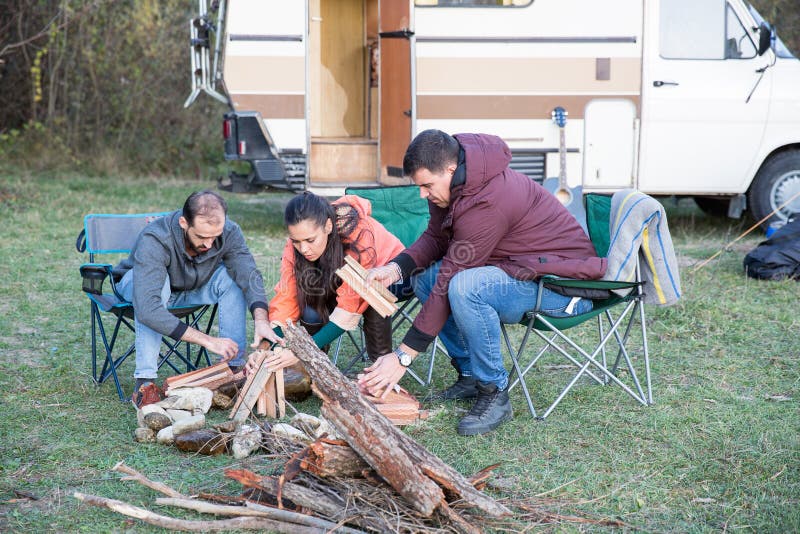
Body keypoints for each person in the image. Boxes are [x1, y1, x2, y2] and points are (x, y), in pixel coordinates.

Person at [358, 130, 607, 436]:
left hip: (560, 286)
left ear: (450, 169)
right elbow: (436, 237)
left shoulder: (487, 201)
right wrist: (397, 268)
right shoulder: (454, 185)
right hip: (519, 270)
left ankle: (494, 392)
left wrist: (404, 355)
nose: (423, 194)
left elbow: (452, 274)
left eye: (426, 185)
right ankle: (470, 374)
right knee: (425, 280)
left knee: (466, 287)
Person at [115, 190, 279, 406]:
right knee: (158, 289)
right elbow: (148, 309)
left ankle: (233, 370)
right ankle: (145, 383)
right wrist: (209, 341)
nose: (210, 244)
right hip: (140, 287)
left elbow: (248, 273)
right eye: (202, 237)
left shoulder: (229, 231)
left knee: (234, 279)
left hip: (189, 286)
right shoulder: (155, 238)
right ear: (184, 222)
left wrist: (261, 319)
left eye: (215, 236)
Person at [246, 192, 407, 375]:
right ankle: (317, 368)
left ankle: (380, 370)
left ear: (328, 226)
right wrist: (265, 347)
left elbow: (350, 305)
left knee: (371, 298)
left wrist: (303, 351)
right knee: (309, 303)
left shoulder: (358, 233)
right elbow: (286, 299)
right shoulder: (295, 247)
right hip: (338, 281)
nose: (304, 249)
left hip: (392, 275)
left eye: (310, 240)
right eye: (296, 241)